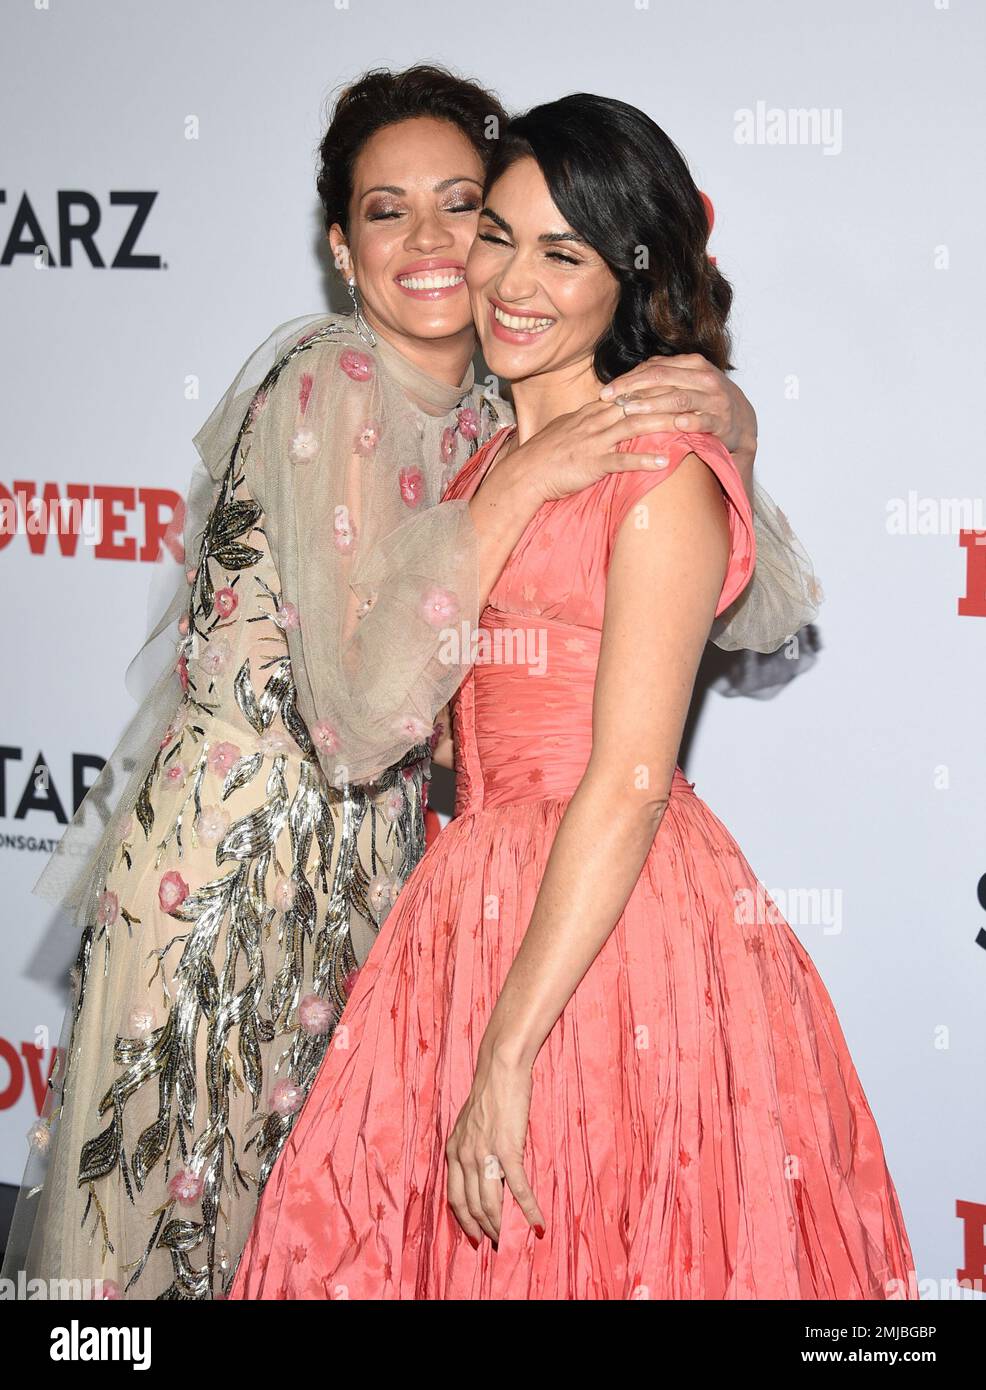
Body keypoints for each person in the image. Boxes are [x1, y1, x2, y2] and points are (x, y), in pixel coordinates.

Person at [2, 68, 811, 1303]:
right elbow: (368, 707)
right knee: (166, 1256)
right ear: (339, 245)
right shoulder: (329, 387)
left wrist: (725, 417)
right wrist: (519, 490)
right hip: (232, 880)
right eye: (392, 214)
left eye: (466, 210)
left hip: (401, 885)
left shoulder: (500, 405)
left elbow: (717, 597)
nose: (447, 250)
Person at [230, 93, 914, 1301]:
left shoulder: (658, 467)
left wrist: (506, 1046)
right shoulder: (483, 453)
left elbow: (628, 780)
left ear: (624, 280)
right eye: (497, 233)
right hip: (461, 900)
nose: (510, 279)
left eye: (565, 252)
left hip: (608, 921)